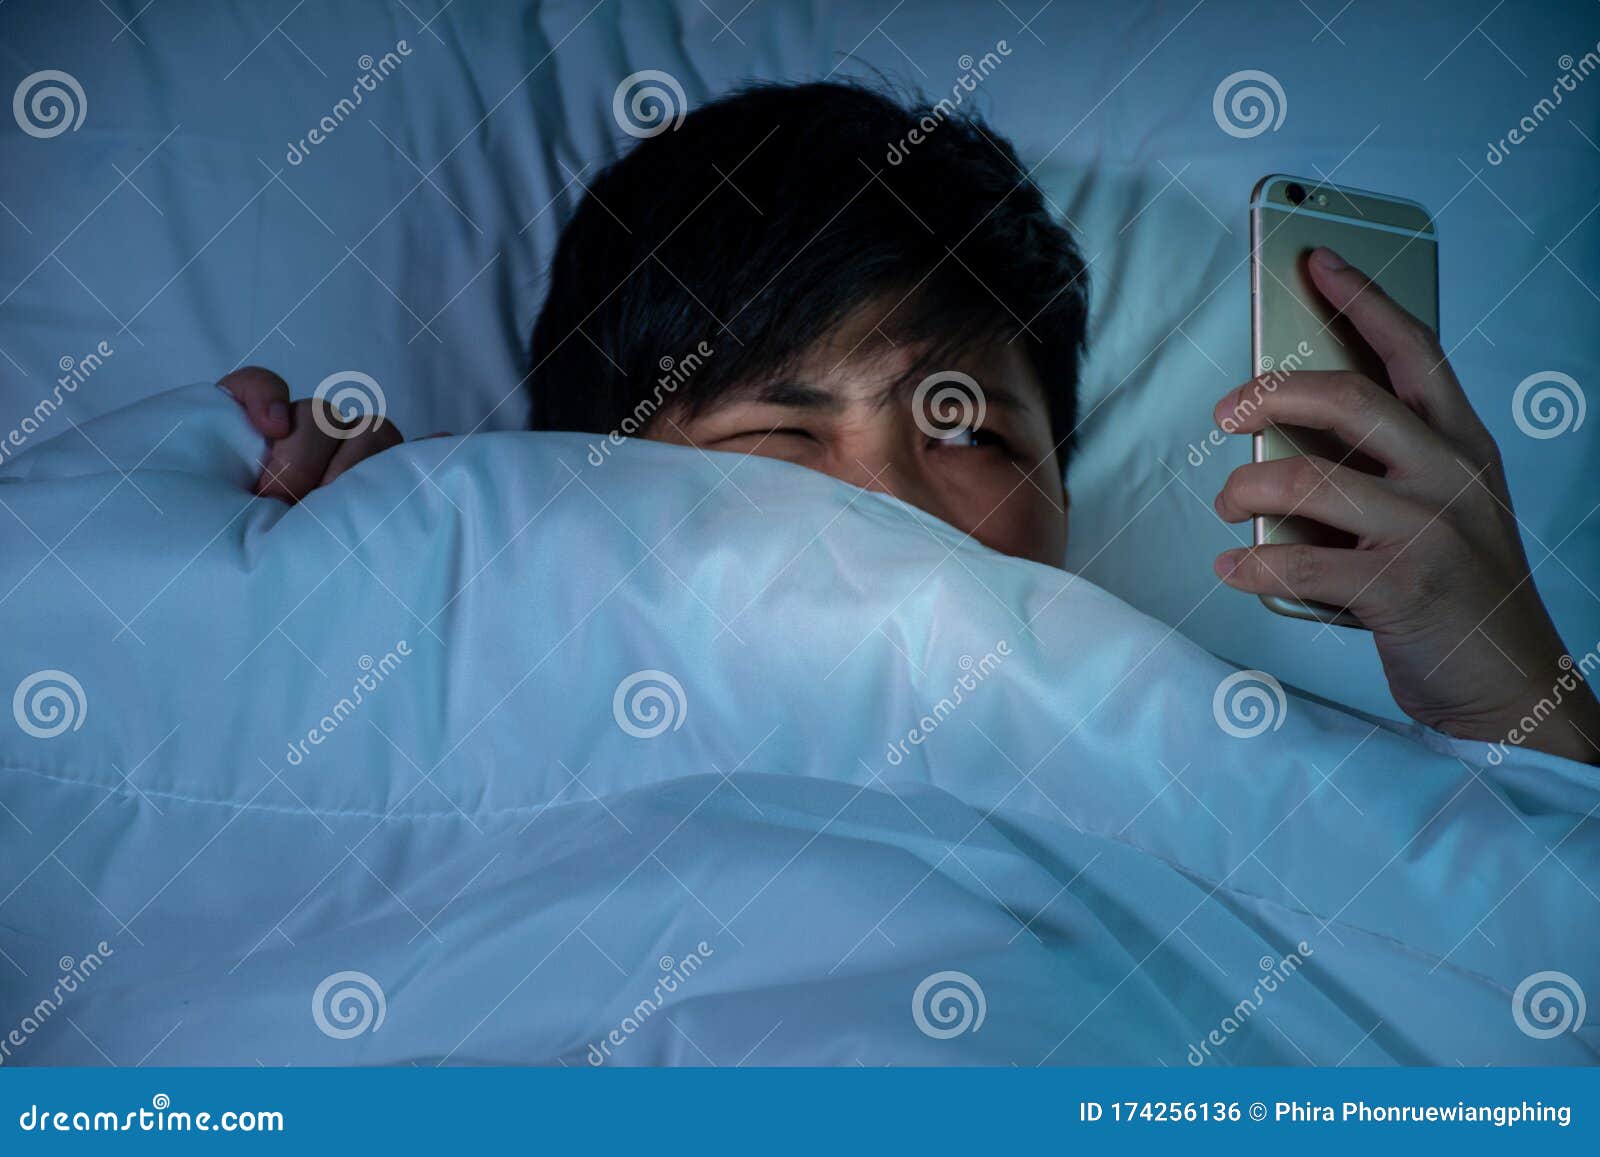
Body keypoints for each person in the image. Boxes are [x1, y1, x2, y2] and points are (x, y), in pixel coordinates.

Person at [218, 81, 1600, 765]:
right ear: (578, 486)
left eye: (969, 432)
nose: (879, 497)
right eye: (777, 433)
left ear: (1061, 503)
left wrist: (1514, 696)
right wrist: (333, 622)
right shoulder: (435, 704)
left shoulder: (1206, 757)